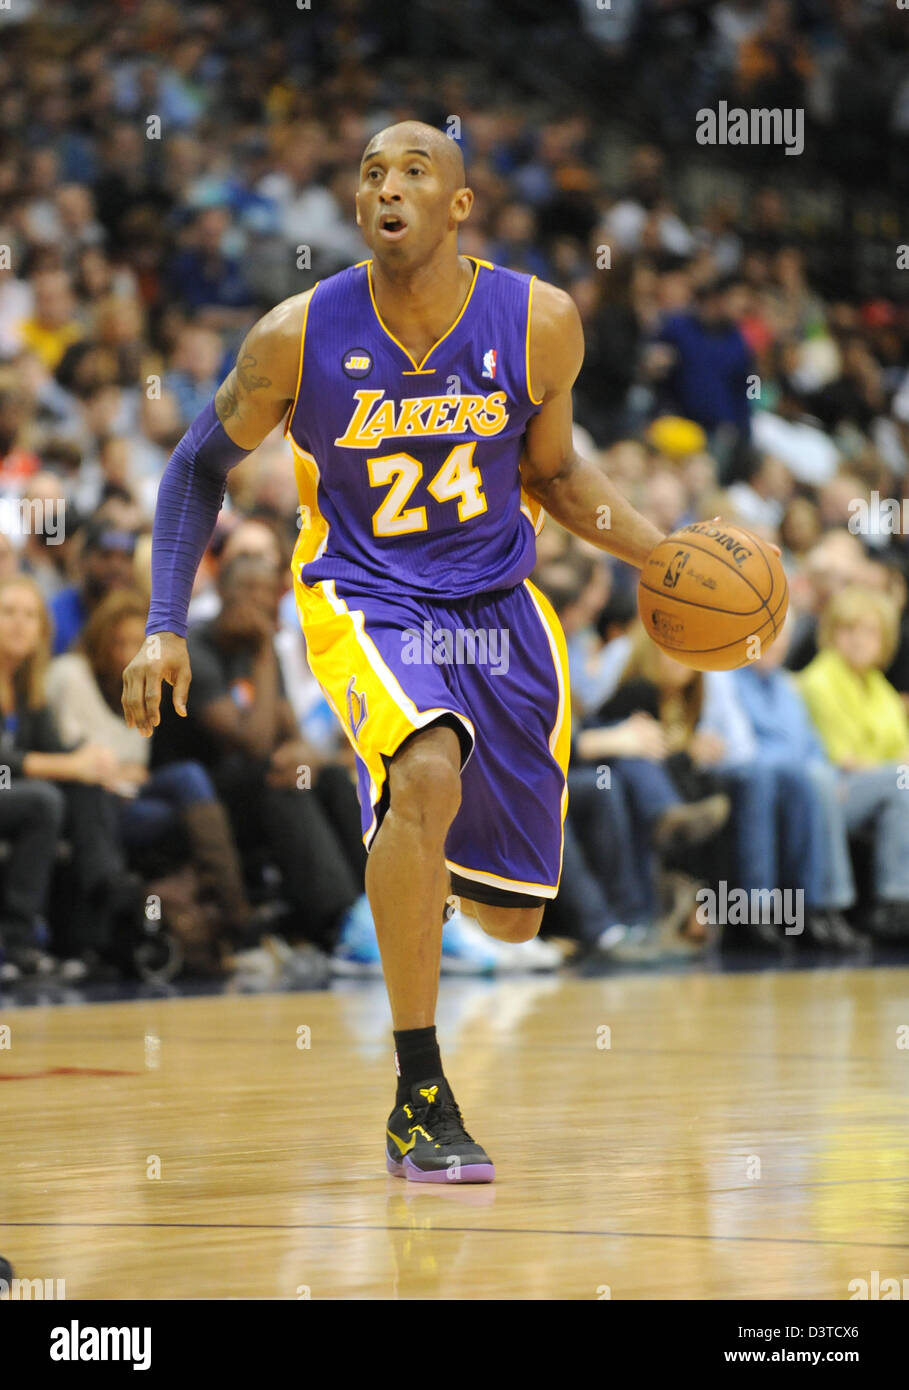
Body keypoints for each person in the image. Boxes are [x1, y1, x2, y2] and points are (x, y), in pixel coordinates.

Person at [123, 121, 667, 1184]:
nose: (389, 186)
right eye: (371, 171)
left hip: (499, 606)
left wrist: (662, 552)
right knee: (422, 769)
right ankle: (421, 1093)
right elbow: (194, 465)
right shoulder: (296, 334)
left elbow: (556, 479)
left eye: (416, 171)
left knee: (511, 921)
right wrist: (163, 622)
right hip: (363, 595)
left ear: (459, 206)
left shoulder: (542, 323)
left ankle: (410, 867)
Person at [45, 588, 257, 967]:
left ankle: (231, 908)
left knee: (190, 777)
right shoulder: (70, 675)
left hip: (131, 793)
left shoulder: (143, 684)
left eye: (137, 644)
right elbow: (76, 758)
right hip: (92, 805)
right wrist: (106, 768)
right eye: (118, 642)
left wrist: (115, 769)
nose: (127, 653)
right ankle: (236, 921)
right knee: (184, 817)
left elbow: (137, 767)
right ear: (99, 642)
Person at [0, 574, 135, 980]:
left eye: (30, 615)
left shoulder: (28, 686)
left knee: (86, 787)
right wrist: (70, 765)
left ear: (43, 629)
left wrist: (90, 762)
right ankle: (16, 942)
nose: (20, 623)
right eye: (8, 612)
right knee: (44, 800)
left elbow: (54, 751)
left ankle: (88, 937)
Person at [797, 586, 909, 939]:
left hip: (875, 787)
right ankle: (895, 903)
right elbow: (842, 760)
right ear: (831, 634)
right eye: (849, 630)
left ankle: (895, 901)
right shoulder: (820, 680)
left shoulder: (880, 688)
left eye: (870, 631)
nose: (859, 641)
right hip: (834, 791)